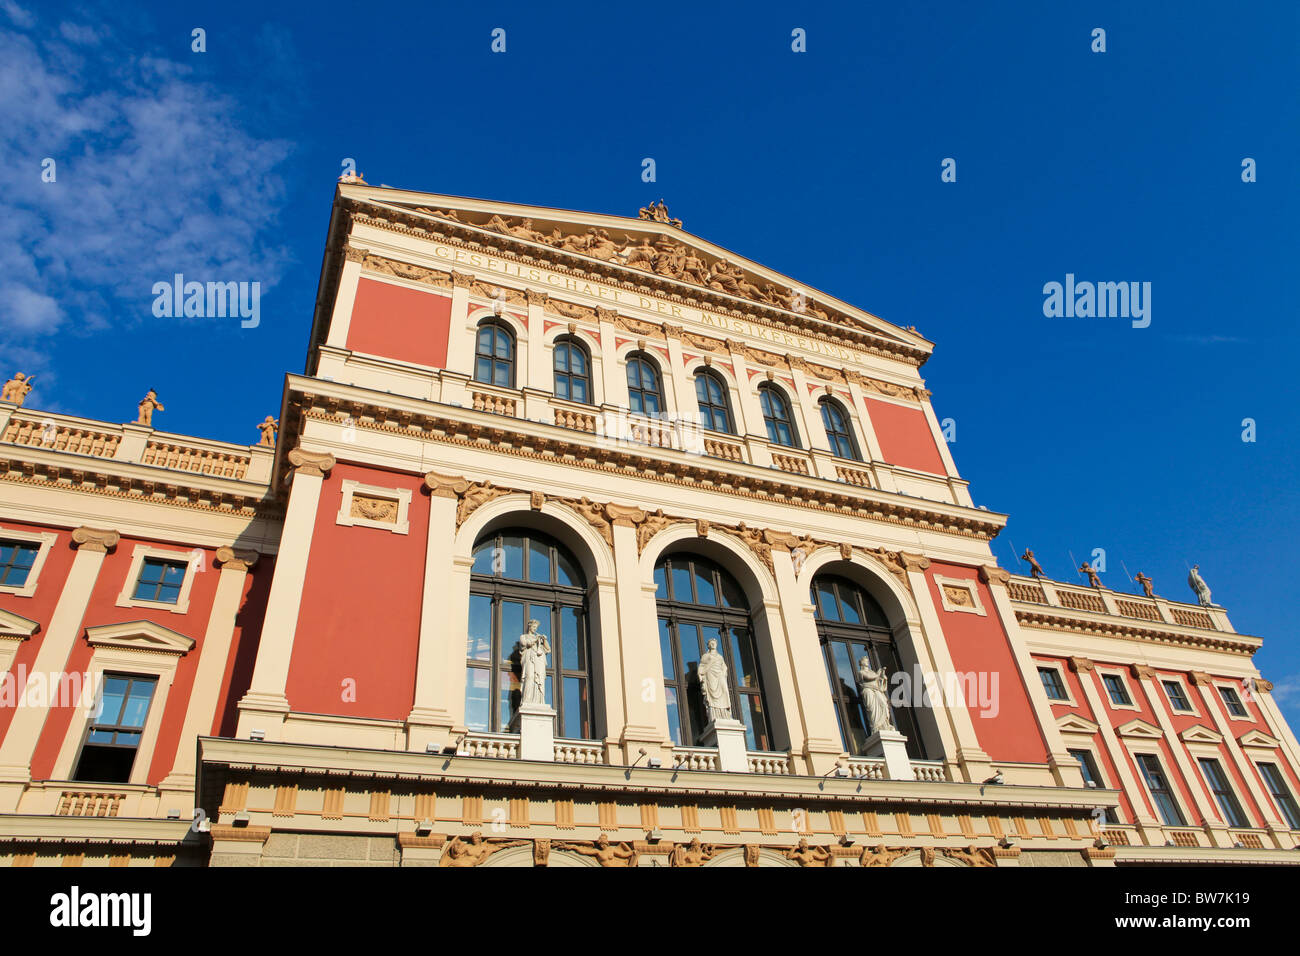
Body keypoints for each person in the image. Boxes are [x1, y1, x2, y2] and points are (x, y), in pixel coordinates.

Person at [698, 638, 731, 721]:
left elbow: (724, 667)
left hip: (719, 676)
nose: (713, 644)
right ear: (708, 645)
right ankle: (714, 715)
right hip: (710, 676)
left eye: (714, 643)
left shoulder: (720, 657)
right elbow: (701, 667)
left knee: (725, 691)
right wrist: (701, 677)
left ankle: (725, 714)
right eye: (711, 643)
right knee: (712, 695)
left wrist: (723, 673)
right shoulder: (705, 656)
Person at [519, 619, 550, 705]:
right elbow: (525, 643)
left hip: (538, 661)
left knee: (538, 680)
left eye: (536, 627)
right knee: (529, 677)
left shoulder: (538, 638)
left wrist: (544, 640)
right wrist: (535, 640)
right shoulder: (523, 636)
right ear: (529, 626)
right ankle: (527, 700)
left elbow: (548, 650)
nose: (535, 629)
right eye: (534, 627)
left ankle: (538, 701)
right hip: (529, 659)